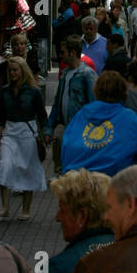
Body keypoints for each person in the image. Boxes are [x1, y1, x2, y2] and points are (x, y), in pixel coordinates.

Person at [60, 70, 137, 177]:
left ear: (96, 92)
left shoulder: (81, 115)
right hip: (112, 186)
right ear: (123, 93)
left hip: (77, 184)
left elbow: (66, 145)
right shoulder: (130, 119)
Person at [0, 56, 47, 220]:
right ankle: (5, 207)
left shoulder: (34, 91)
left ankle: (26, 209)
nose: (13, 73)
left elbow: (42, 115)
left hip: (27, 133)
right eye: (10, 70)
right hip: (9, 133)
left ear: (23, 71)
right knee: (5, 164)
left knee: (27, 169)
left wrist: (45, 133)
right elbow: (1, 116)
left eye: (15, 70)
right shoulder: (4, 91)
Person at [44, 35, 96, 176]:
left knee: (78, 165)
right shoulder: (65, 74)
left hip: (80, 127)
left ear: (72, 53)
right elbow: (57, 103)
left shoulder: (86, 74)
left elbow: (94, 104)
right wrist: (49, 128)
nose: (60, 56)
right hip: (64, 123)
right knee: (60, 156)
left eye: (63, 52)